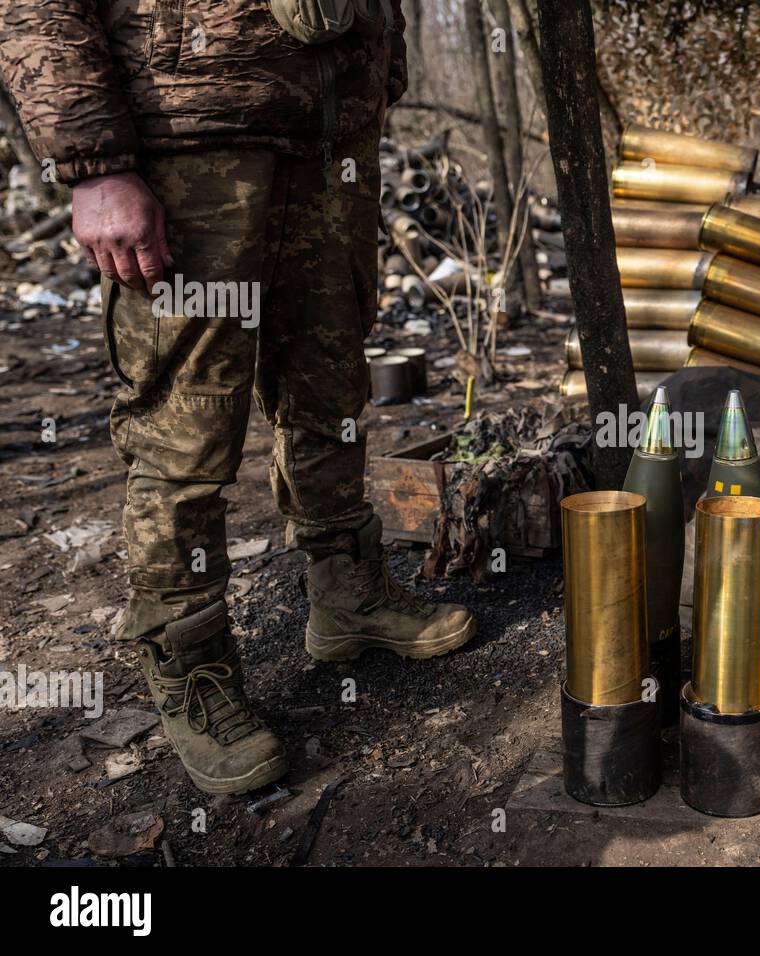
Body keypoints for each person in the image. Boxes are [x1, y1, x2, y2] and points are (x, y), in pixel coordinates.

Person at [0, 0, 475, 795]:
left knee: (331, 388)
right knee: (185, 425)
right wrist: (94, 160)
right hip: (190, 142)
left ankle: (347, 592)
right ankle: (190, 665)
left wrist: (375, 73)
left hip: (330, 135)